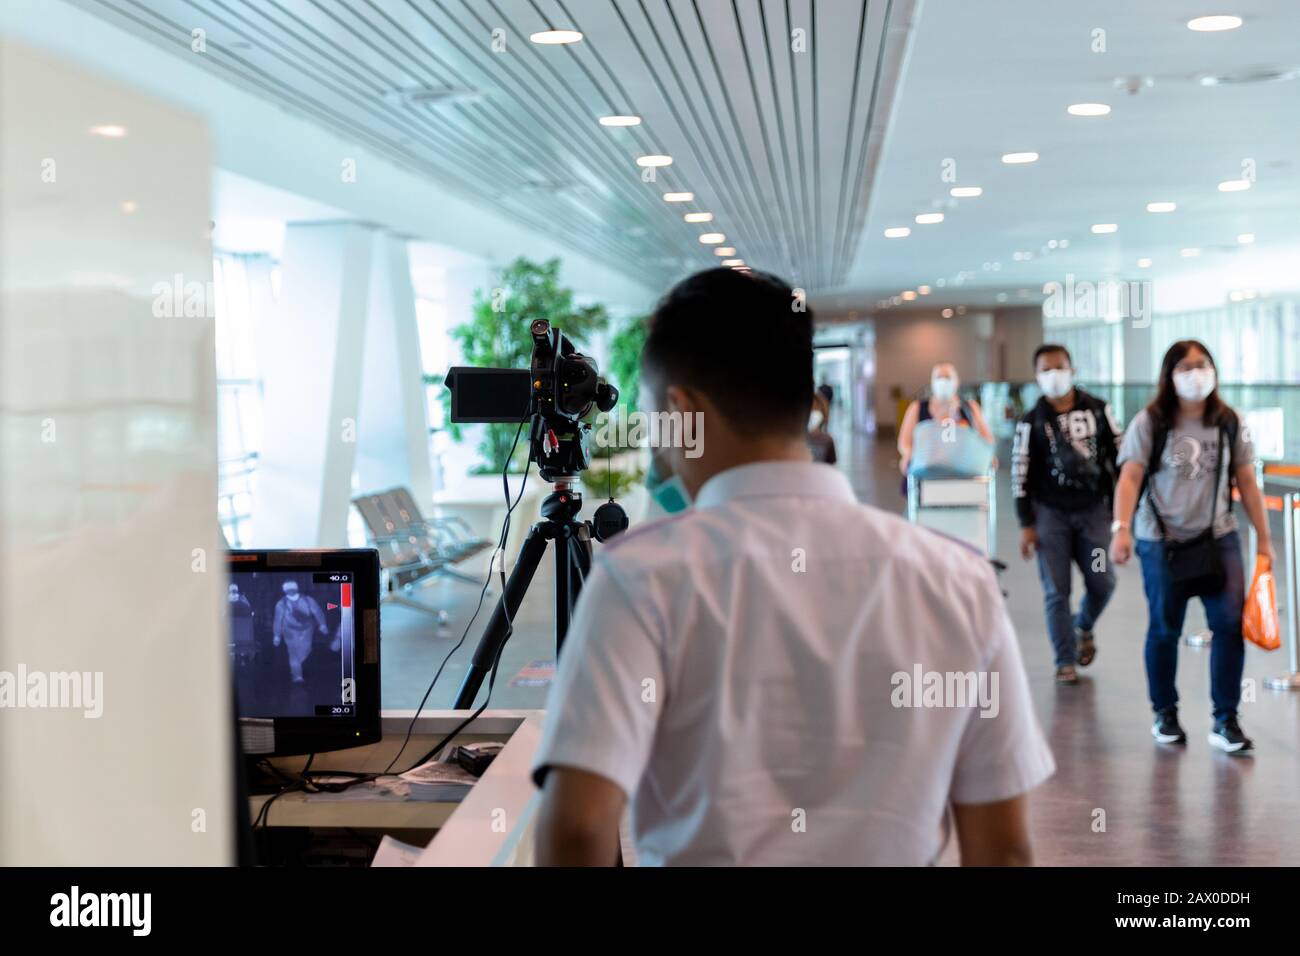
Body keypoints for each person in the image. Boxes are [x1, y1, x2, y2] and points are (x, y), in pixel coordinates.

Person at [531, 268, 1054, 866]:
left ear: (682, 411)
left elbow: (576, 829)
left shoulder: (639, 577)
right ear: (807, 402)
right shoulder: (958, 580)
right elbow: (1005, 850)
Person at [1110, 340, 1273, 754]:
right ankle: (1165, 713)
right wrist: (1121, 528)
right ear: (1169, 375)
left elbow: (1247, 481)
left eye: (1203, 365)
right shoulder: (1151, 421)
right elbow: (1130, 477)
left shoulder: (1228, 420)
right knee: (1165, 629)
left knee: (1228, 625)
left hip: (1218, 536)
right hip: (1159, 541)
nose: (1195, 373)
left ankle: (1226, 719)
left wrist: (1265, 541)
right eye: (1186, 366)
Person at [1012, 344, 1121, 685]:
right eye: (1046, 369)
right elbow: (1020, 474)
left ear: (1073, 369)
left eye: (1060, 367)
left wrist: (1123, 513)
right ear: (1036, 376)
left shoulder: (1100, 410)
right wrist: (1026, 524)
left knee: (1102, 580)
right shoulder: (1031, 422)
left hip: (1095, 516)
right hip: (1050, 517)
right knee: (1056, 590)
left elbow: (1122, 457)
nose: (1054, 374)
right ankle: (1065, 659)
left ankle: (1083, 625)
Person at [896, 363, 993, 476]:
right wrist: (911, 455)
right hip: (926, 474)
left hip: (964, 474)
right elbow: (904, 442)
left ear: (956, 382)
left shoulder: (970, 408)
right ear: (932, 382)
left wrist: (986, 456)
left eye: (947, 377)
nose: (943, 381)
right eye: (938, 377)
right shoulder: (917, 408)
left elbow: (987, 440)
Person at [272, 580, 327, 685]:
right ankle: (297, 675)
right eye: (288, 590)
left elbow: (317, 611)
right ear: (285, 591)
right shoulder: (281, 603)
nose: (290, 591)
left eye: (292, 589)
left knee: (306, 649)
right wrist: (277, 636)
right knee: (293, 652)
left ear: (296, 589)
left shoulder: (308, 600)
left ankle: (296, 666)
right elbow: (278, 620)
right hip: (289, 630)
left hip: (307, 630)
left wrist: (322, 624)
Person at [806, 391, 837, 464]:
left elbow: (829, 467)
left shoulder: (827, 440)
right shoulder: (794, 439)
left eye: (815, 409)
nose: (812, 413)